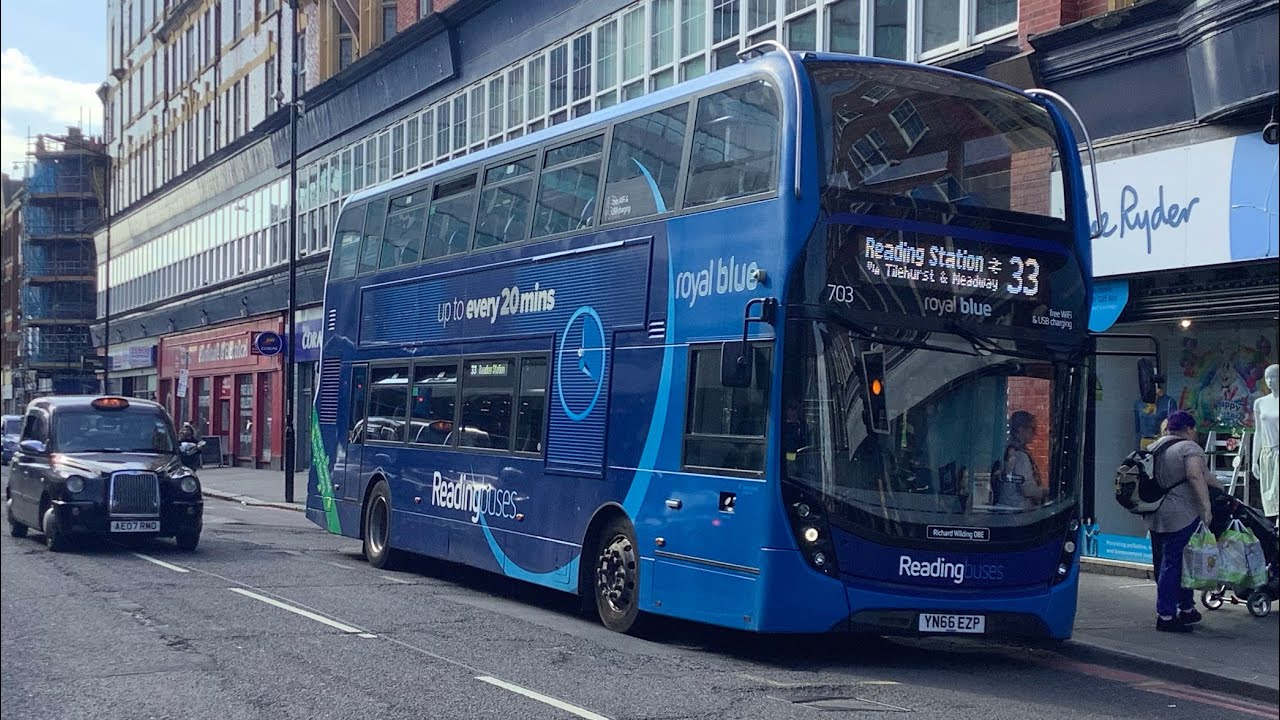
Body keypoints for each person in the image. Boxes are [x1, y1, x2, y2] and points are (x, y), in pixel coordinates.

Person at [1144, 410, 1223, 633]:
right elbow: (1196, 475)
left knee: (1167, 563)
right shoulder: (1189, 448)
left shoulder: (1154, 447)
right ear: (1189, 429)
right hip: (1181, 515)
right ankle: (1167, 616)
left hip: (1155, 514)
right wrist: (1207, 507)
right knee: (1175, 564)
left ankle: (1187, 608)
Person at [993, 411, 1047, 509]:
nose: (1035, 433)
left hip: (1005, 506)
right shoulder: (1020, 455)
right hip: (1017, 512)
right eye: (1032, 428)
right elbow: (1027, 489)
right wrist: (1047, 492)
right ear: (1020, 429)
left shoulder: (1006, 449)